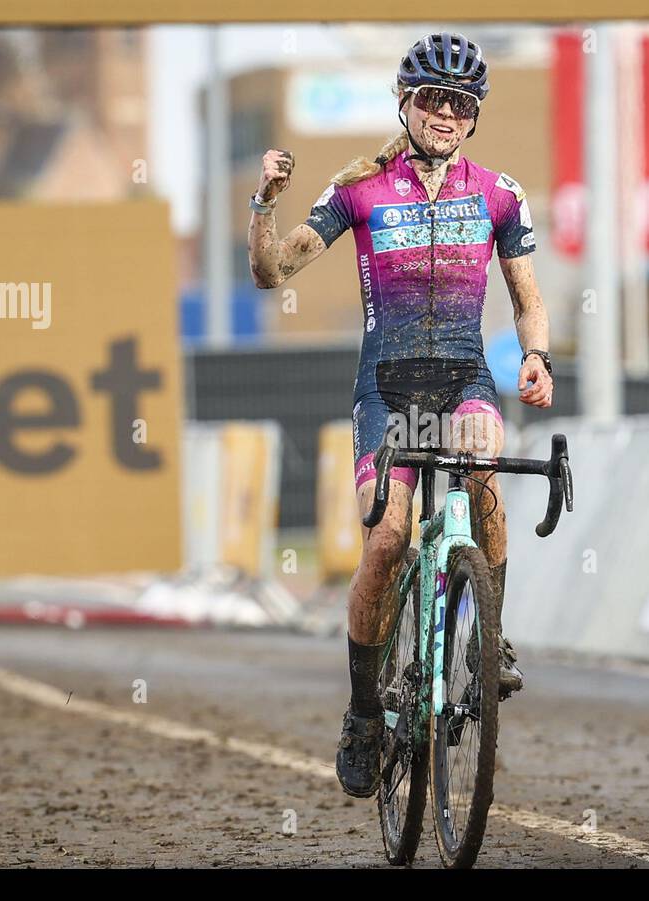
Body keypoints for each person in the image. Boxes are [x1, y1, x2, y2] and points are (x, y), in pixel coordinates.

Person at [247, 32, 553, 799]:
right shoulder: (359, 190)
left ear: (473, 116)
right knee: (386, 542)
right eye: (432, 100)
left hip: (465, 380)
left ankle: (488, 640)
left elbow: (527, 298)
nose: (446, 114)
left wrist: (537, 357)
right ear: (405, 104)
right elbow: (272, 270)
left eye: (461, 103)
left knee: (484, 480)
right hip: (387, 390)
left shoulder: (498, 193)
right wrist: (264, 204)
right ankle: (360, 714)